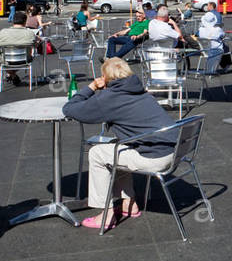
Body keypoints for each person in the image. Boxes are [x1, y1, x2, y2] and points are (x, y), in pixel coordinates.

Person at [62, 56, 178, 230]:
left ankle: (106, 214)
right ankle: (129, 204)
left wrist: (92, 87)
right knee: (119, 147)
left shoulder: (110, 97)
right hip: (174, 152)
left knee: (97, 153)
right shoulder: (140, 91)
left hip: (155, 158)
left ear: (106, 77)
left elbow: (70, 109)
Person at [0, 11, 40, 85]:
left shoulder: (3, 32)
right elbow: (35, 45)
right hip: (24, 60)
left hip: (7, 60)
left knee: (2, 58)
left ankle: (12, 74)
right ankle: (12, 75)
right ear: (25, 21)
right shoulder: (29, 33)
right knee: (27, 55)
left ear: (13, 21)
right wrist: (38, 41)